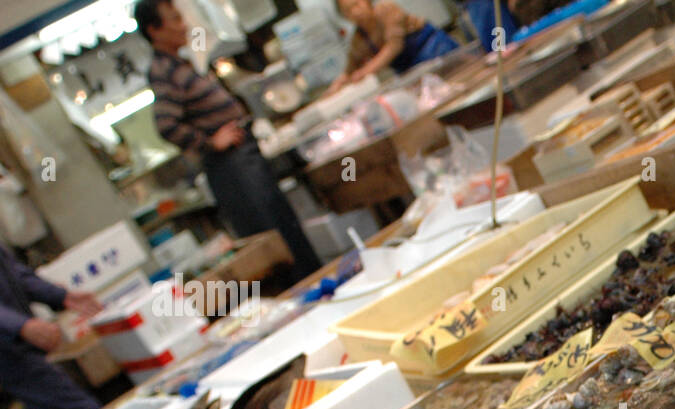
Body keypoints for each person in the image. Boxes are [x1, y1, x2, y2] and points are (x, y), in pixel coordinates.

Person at [136, 0, 322, 283]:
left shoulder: (182, 61)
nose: (183, 24)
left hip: (241, 154)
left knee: (285, 225)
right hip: (231, 165)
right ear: (154, 30)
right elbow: (166, 125)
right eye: (174, 19)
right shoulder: (163, 69)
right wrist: (211, 142)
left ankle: (320, 283)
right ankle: (309, 293)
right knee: (273, 235)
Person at [0, 243, 103, 409]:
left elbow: (11, 272)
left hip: (17, 346)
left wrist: (60, 296)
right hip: (8, 351)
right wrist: (18, 326)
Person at [328, 0, 459, 93]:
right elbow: (349, 69)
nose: (355, 12)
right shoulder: (359, 38)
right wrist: (336, 86)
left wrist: (364, 72)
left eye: (356, 4)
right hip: (410, 71)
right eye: (348, 11)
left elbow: (394, 46)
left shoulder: (386, 9)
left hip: (435, 50)